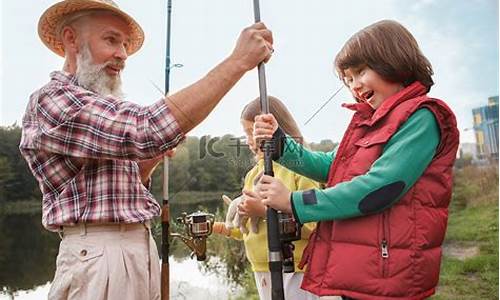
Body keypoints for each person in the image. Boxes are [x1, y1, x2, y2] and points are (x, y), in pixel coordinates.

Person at [19, 0, 273, 299]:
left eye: (125, 44)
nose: (123, 54)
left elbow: (124, 179)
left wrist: (149, 160)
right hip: (100, 256)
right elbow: (147, 128)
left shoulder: (106, 108)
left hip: (135, 250)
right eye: (111, 40)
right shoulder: (53, 100)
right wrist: (238, 62)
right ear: (70, 38)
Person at [253, 20, 459, 299]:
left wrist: (294, 202)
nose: (354, 86)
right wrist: (279, 143)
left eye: (360, 72)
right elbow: (329, 165)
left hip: (390, 276)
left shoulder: (421, 117)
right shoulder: (365, 123)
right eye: (348, 79)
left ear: (393, 60)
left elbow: (379, 188)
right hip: (360, 272)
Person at [212, 96, 321, 300]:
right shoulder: (253, 174)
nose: (249, 140)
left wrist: (264, 211)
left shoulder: (302, 169)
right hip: (261, 267)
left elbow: (315, 229)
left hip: (297, 269)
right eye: (246, 133)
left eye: (252, 132)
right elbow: (247, 230)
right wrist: (217, 227)